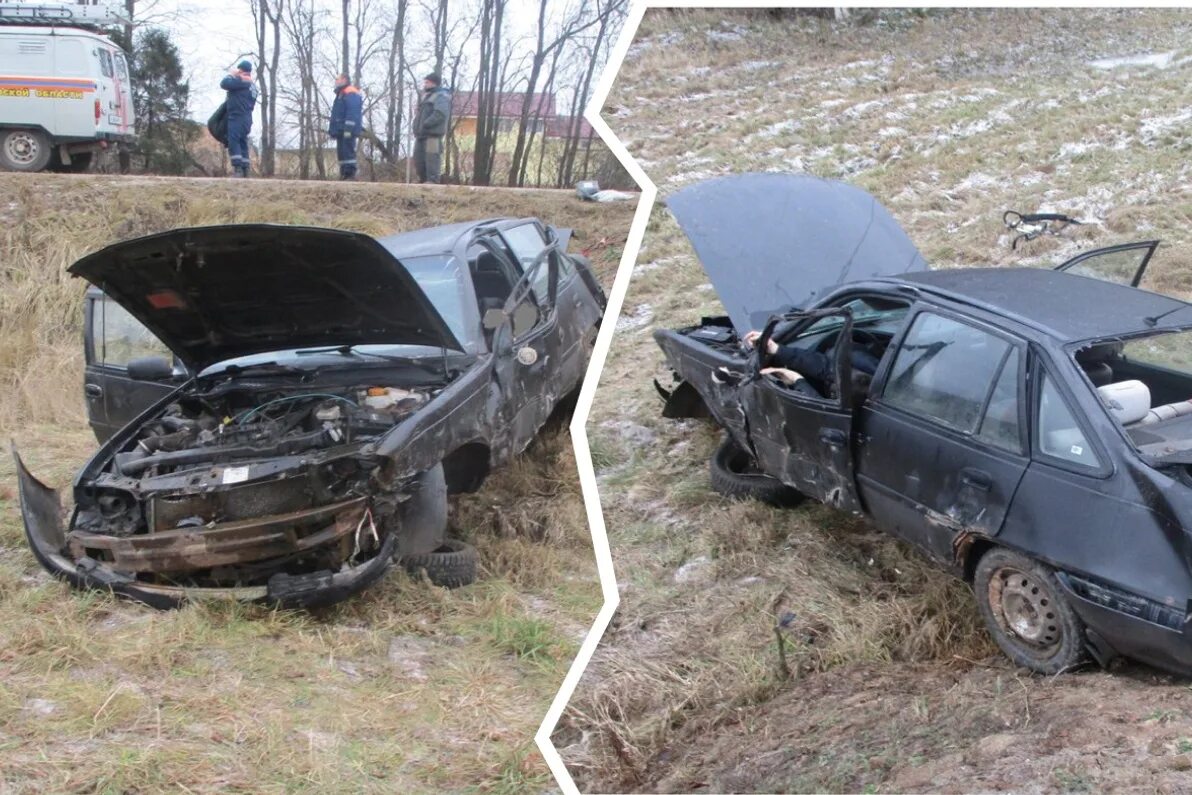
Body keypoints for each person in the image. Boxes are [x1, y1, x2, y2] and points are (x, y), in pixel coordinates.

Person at [744, 329, 879, 402]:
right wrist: (777, 349)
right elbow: (830, 370)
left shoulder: (879, 394)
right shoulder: (891, 379)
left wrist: (798, 381)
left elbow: (827, 417)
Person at [219, 60, 259, 178]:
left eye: (239, 70)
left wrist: (231, 74)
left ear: (241, 70)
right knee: (242, 141)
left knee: (234, 140)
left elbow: (224, 83)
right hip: (247, 117)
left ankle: (238, 170)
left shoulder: (242, 81)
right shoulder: (252, 85)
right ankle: (245, 170)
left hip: (237, 116)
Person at [412, 73, 452, 184]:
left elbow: (440, 114)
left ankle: (432, 182)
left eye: (427, 82)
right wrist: (415, 126)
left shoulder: (441, 96)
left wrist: (426, 124)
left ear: (433, 83)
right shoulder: (426, 97)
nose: (425, 84)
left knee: (432, 161)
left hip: (432, 135)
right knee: (419, 161)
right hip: (421, 135)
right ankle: (423, 181)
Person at [328, 74, 363, 180]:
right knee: (342, 152)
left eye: (337, 79)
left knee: (348, 150)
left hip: (347, 129)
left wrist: (349, 128)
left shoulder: (350, 92)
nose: (336, 81)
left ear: (344, 80)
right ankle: (344, 173)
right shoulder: (341, 94)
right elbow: (337, 114)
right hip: (340, 129)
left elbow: (352, 111)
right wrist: (333, 130)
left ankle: (350, 174)